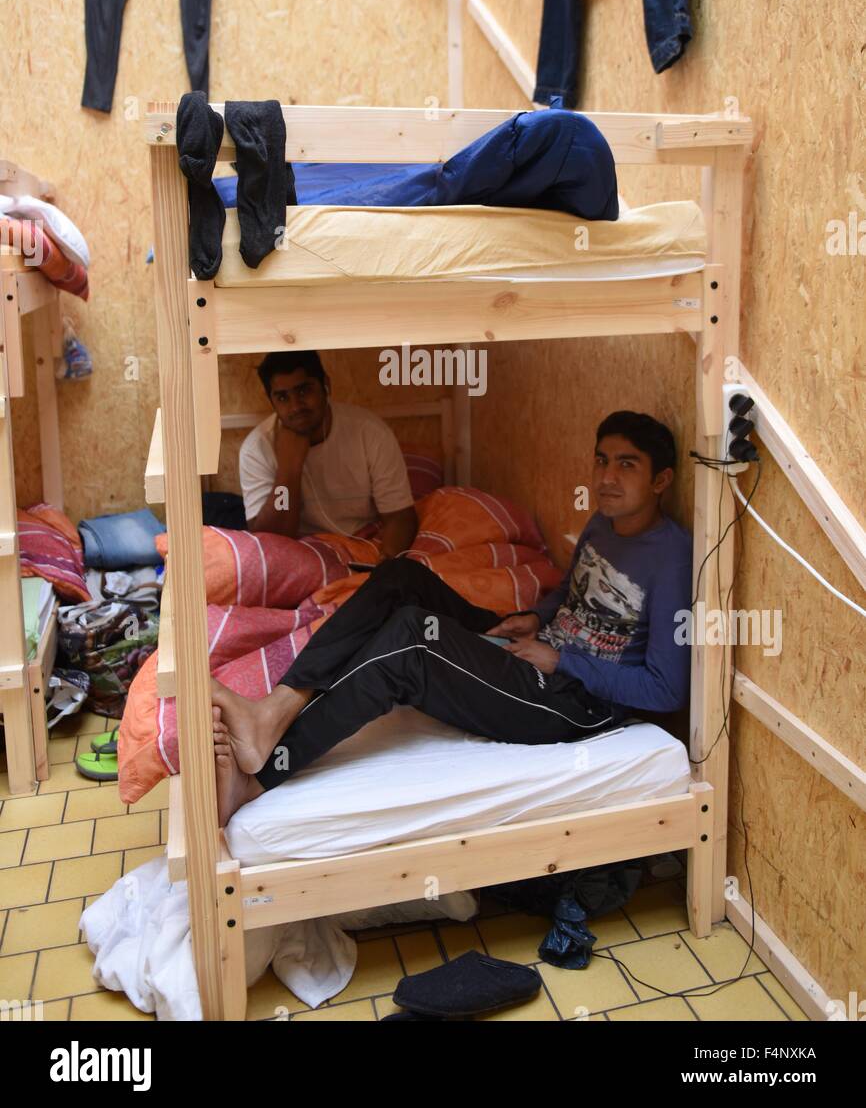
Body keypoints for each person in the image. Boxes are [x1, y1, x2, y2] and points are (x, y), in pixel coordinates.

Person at [213, 409, 693, 826]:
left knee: (412, 640)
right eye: (602, 460)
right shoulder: (603, 523)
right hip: (539, 647)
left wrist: (560, 661)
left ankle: (261, 780)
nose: (606, 477)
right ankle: (276, 707)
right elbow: (572, 591)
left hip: (573, 700)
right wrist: (533, 616)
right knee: (401, 576)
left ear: (661, 480)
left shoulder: (673, 559)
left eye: (626, 465)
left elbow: (666, 690)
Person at [238, 350, 418, 555]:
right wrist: (288, 471)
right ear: (271, 400)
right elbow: (271, 540)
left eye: (304, 391)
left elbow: (399, 516)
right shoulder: (257, 449)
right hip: (300, 554)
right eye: (282, 397)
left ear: (326, 385)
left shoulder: (369, 432)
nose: (296, 406)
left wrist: (386, 567)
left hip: (365, 542)